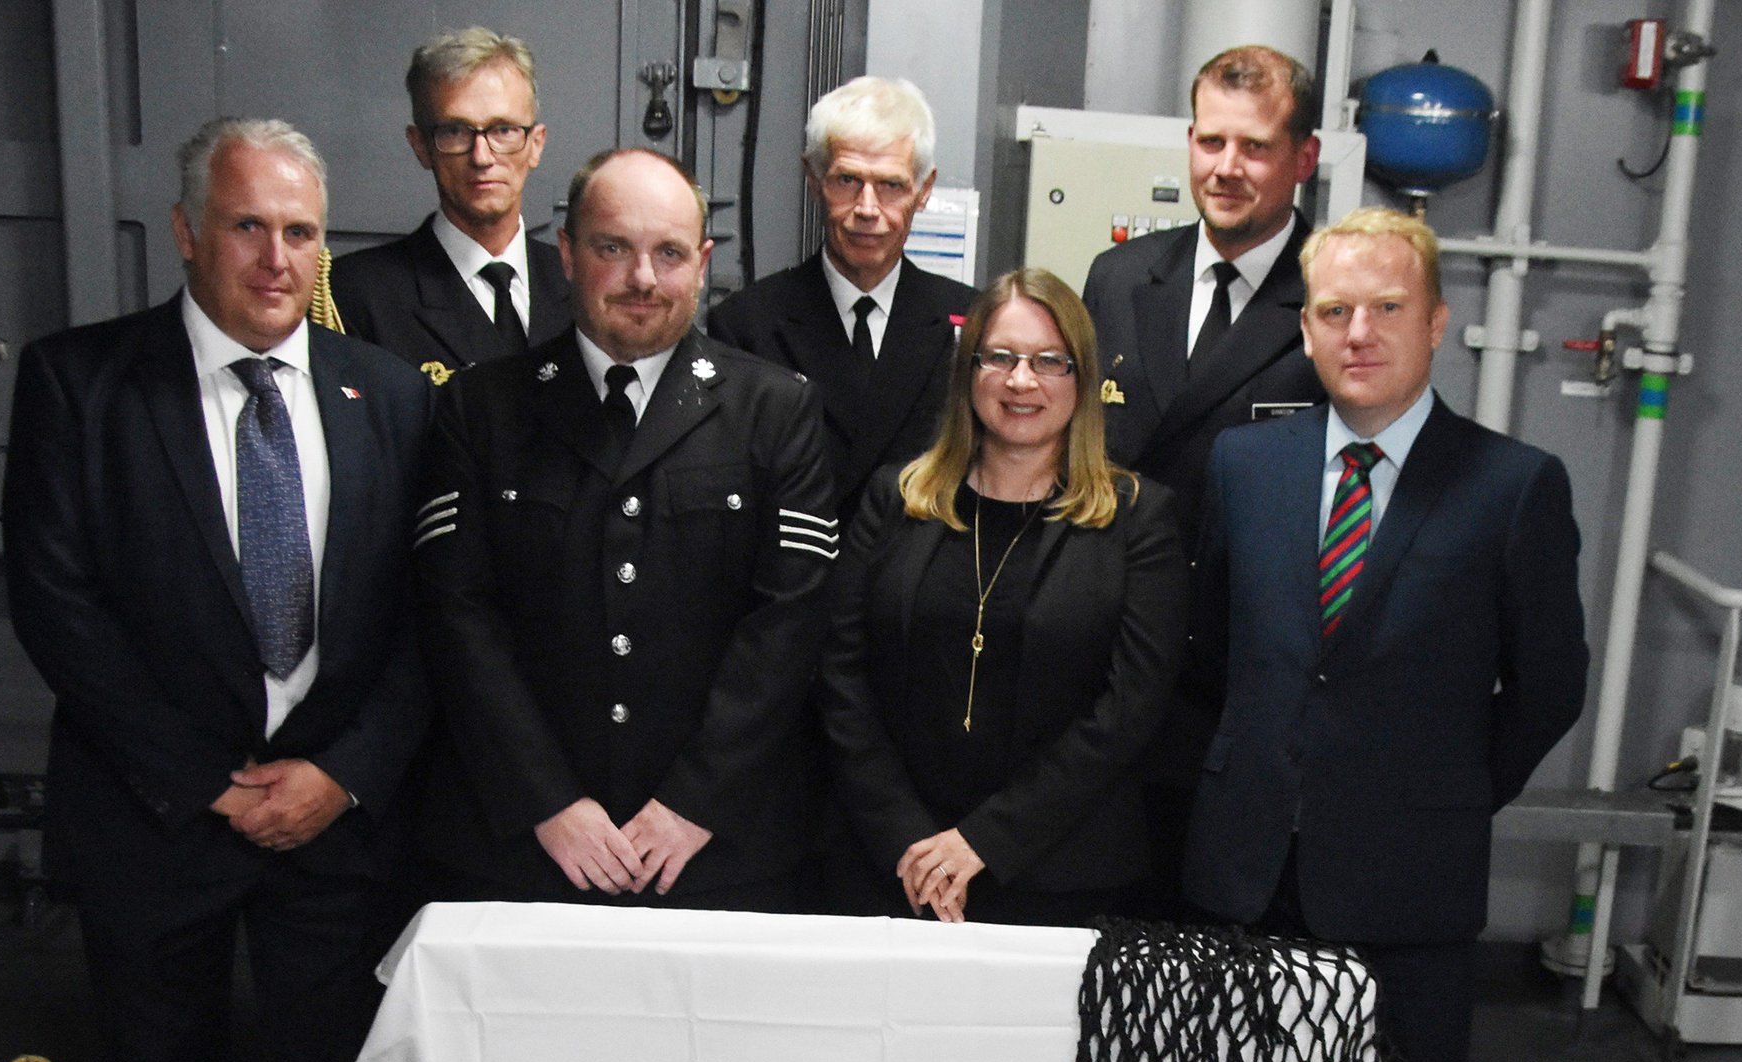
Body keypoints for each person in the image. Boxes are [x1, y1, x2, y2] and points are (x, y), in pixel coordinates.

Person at [3, 120, 432, 1062]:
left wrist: (341, 775)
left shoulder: (388, 396)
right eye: (248, 226)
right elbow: (56, 602)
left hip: (332, 821)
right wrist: (207, 781)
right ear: (189, 231)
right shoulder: (82, 383)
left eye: (301, 231)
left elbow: (431, 617)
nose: (276, 258)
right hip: (156, 814)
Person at [1181, 208, 1589, 1062]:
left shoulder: (1510, 484)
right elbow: (1210, 655)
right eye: (1331, 312)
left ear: (1435, 323)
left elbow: (1548, 684)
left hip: (1408, 881)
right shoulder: (1244, 468)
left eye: (1384, 309)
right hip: (1253, 866)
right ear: (1302, 329)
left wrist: (1448, 797)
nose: (1356, 333)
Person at [413, 147, 835, 910]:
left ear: (702, 262)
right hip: (521, 848)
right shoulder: (483, 408)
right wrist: (547, 801)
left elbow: (787, 625)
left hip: (716, 852)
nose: (643, 277)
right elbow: (457, 618)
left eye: (669, 252)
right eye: (613, 247)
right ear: (567, 253)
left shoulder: (775, 411)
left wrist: (692, 803)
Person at [820, 269, 1187, 924]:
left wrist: (982, 842)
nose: (1022, 381)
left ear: (1083, 379)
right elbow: (840, 672)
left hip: (1060, 877)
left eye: (1050, 361)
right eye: (1001, 357)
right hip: (892, 867)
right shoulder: (894, 498)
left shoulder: (1138, 518)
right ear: (969, 371)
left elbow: (1129, 707)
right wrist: (907, 837)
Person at [1082, 44, 1326, 915]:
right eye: (1210, 141)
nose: (1226, 167)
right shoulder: (1119, 277)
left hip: (1245, 681)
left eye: (1255, 147)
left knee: (1230, 941)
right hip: (1111, 667)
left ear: (1304, 157)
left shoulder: (1332, 295)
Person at [707, 76, 972, 522]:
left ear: (924, 190)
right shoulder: (746, 325)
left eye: (891, 185)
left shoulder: (969, 322)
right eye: (847, 180)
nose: (867, 208)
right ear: (814, 180)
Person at [330, 28, 571, 381]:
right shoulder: (357, 295)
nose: (482, 157)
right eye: (455, 131)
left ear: (535, 144)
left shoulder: (581, 284)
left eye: (503, 130)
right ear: (420, 146)